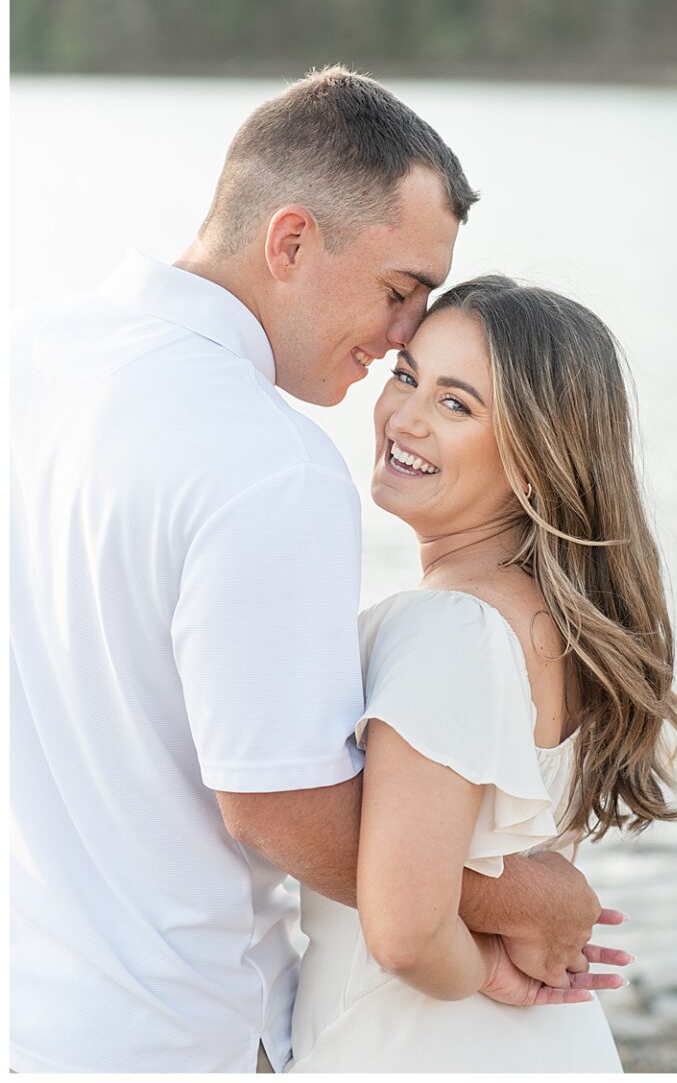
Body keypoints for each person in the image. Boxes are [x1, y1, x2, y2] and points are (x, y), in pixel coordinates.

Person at [10, 67, 618, 1074]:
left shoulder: (25, 352)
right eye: (397, 291)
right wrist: (526, 896)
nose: (397, 339)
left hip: (26, 1005)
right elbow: (275, 804)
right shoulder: (266, 461)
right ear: (289, 240)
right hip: (171, 1028)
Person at [288, 277, 677, 1071]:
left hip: (426, 1047)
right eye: (407, 375)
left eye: (455, 405)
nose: (404, 417)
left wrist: (489, 971)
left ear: (536, 461)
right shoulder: (562, 626)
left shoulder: (453, 629)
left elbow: (405, 929)